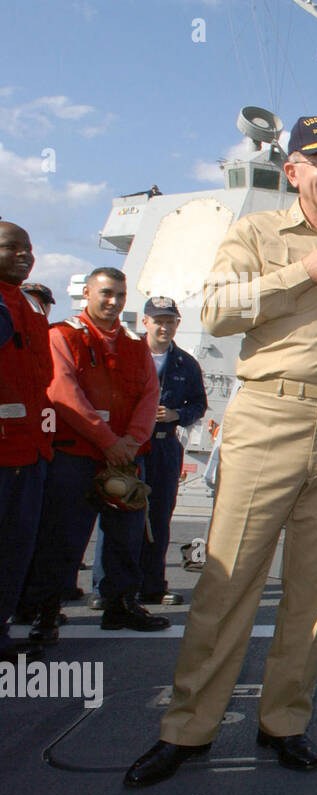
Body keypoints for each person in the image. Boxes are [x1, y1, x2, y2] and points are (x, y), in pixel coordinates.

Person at [125, 115, 317, 787]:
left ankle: (284, 721)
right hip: (270, 414)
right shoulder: (256, 233)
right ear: (293, 172)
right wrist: (300, 271)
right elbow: (218, 311)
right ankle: (188, 726)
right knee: (231, 577)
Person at [18, 266, 167, 644]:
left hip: (127, 458)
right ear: (87, 293)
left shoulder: (136, 345)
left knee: (126, 536)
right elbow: (64, 394)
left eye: (119, 293)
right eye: (105, 293)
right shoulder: (63, 336)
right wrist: (109, 441)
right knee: (63, 538)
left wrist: (130, 442)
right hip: (77, 455)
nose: (113, 301)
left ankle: (120, 604)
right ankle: (47, 612)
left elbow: (150, 396)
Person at [0, 223, 53, 665]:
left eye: (28, 248)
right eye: (12, 248)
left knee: (16, 549)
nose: (24, 255)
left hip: (31, 451)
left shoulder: (33, 309)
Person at [133, 297, 207, 604]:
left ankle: (152, 585)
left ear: (177, 325)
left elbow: (198, 404)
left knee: (160, 515)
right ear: (145, 322)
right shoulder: (128, 354)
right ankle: (110, 588)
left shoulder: (186, 363)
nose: (164, 327)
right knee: (120, 514)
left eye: (170, 321)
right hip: (130, 445)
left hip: (164, 444)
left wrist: (178, 415)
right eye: (158, 320)